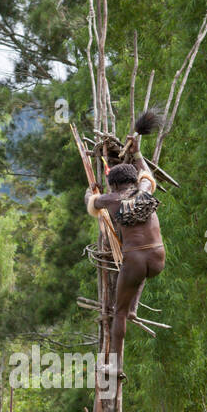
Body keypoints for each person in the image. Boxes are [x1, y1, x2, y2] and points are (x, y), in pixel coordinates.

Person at [84, 111, 165, 365]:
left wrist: (90, 190)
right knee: (137, 277)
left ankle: (115, 365)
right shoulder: (144, 189)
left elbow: (90, 202)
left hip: (135, 260)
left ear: (114, 184)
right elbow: (146, 174)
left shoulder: (111, 198)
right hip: (158, 258)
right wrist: (138, 153)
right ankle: (134, 308)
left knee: (116, 313)